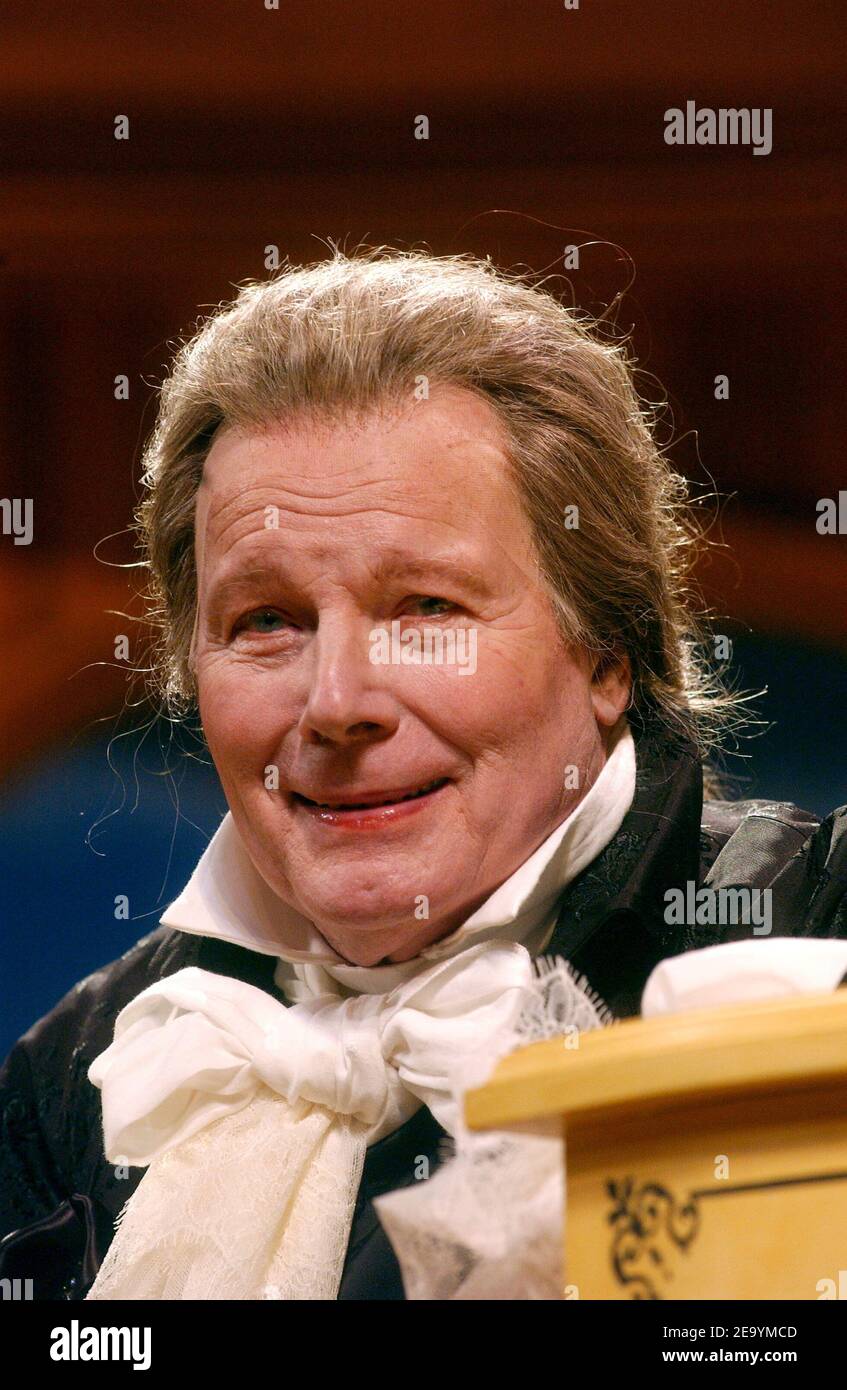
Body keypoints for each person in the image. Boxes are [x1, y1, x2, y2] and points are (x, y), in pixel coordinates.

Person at [2, 249, 845, 1300]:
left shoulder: (822, 939)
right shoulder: (78, 1082)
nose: (337, 701)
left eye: (426, 609)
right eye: (265, 621)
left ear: (605, 656)